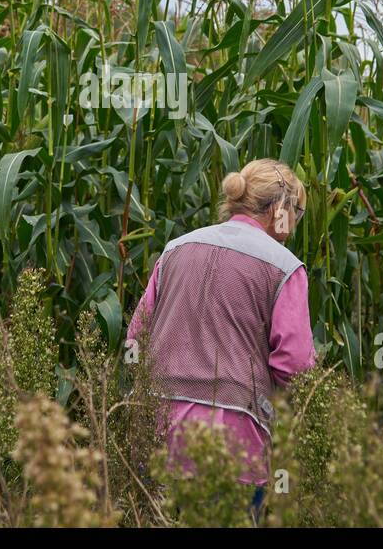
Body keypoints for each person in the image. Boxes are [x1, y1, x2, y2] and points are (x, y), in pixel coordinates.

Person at [127, 158, 316, 522]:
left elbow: (137, 339)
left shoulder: (175, 249)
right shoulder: (284, 266)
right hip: (235, 446)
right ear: (279, 209)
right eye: (298, 212)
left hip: (157, 438)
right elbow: (294, 366)